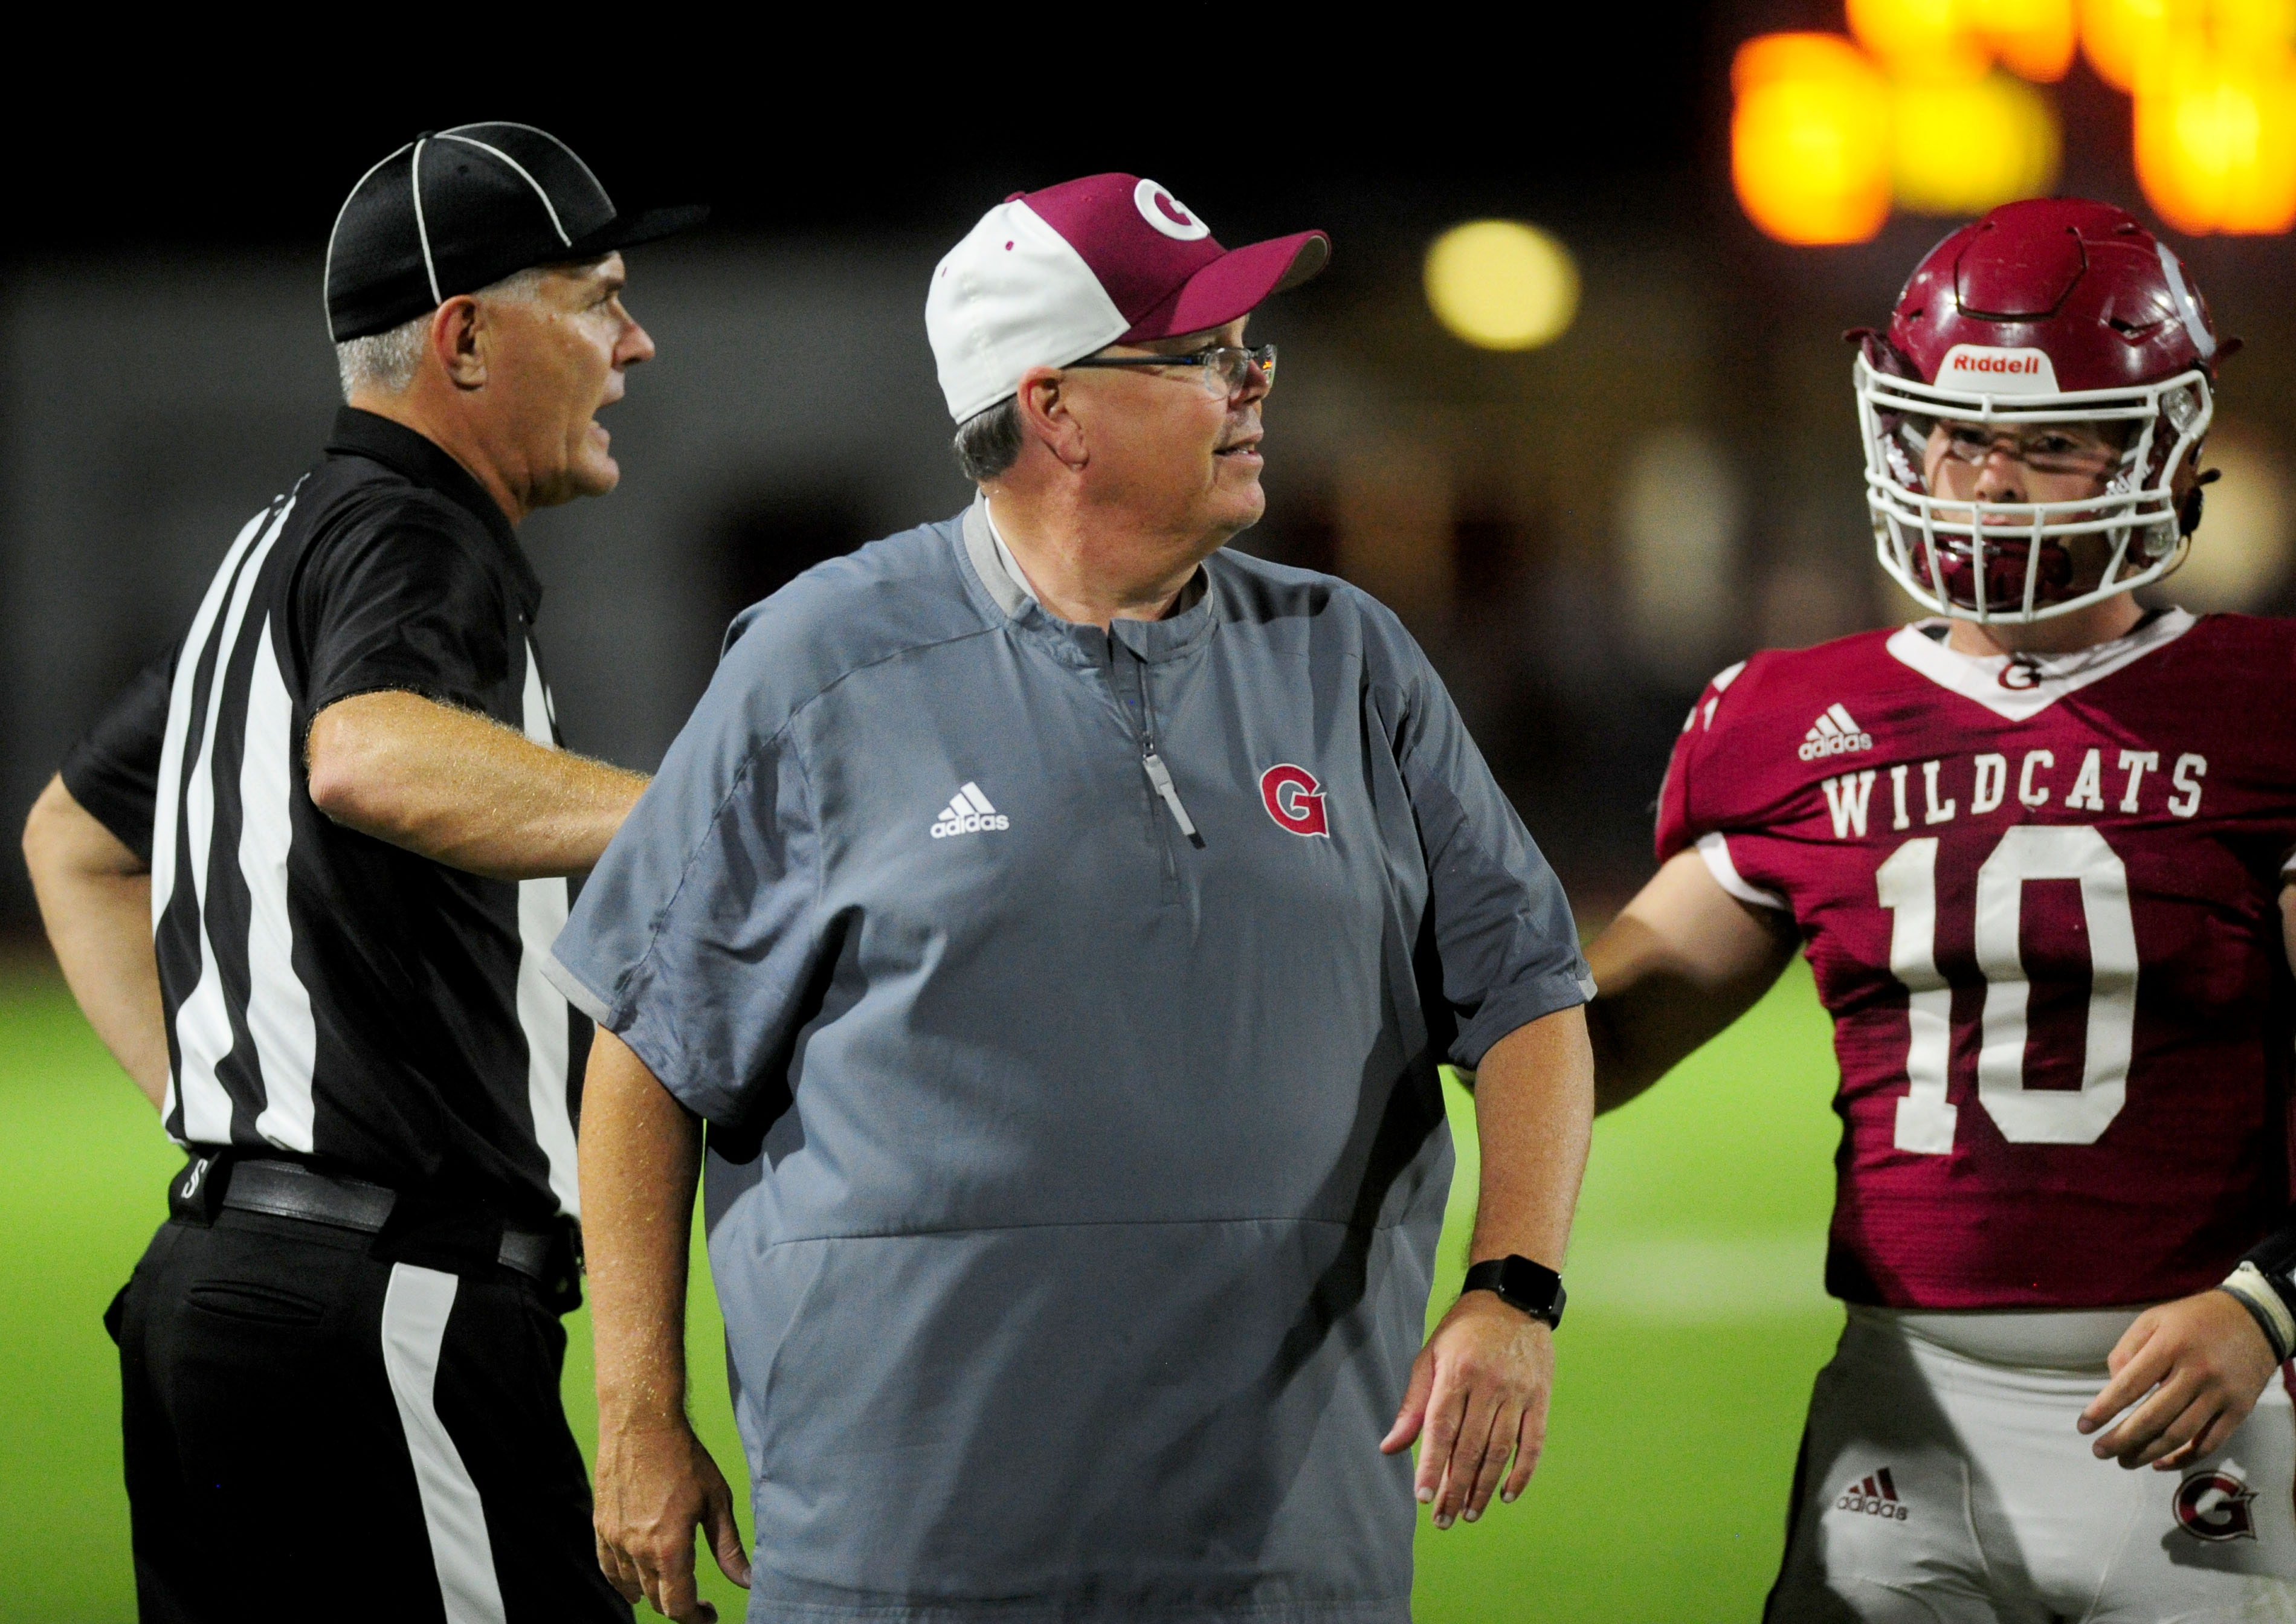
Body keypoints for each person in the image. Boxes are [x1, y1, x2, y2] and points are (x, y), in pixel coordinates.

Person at [550, 172, 1598, 1624]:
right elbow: (649, 1054)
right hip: (908, 1553)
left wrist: (1516, 1289)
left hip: (1285, 1555)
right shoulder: (816, 662)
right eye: (1201, 357)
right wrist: (636, 1414)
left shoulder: (1347, 657)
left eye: (1249, 352)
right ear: (1055, 412)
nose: (1251, 386)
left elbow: (1531, 995)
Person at [19, 123, 699, 1623]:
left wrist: (236, 1118)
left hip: (232, 1290)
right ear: (464, 339)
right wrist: (711, 815)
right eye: (594, 298)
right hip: (385, 1302)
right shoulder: (411, 527)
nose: (634, 343)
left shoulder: (279, 541)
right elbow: (370, 757)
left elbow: (67, 839)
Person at [1585, 196, 2296, 1620]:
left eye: (2048, 444)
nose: (1988, 484)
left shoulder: (2263, 705)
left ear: (2157, 449)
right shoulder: (1789, 717)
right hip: (1899, 1404)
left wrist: (2273, 1304)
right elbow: (1587, 1042)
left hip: (2205, 1399)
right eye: (1961, 437)